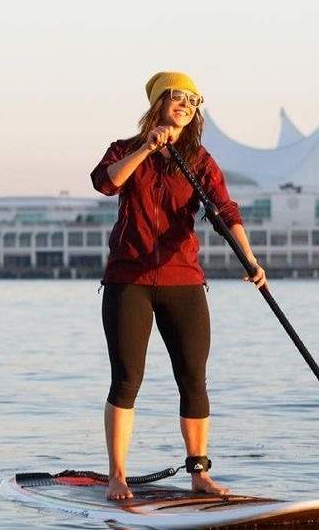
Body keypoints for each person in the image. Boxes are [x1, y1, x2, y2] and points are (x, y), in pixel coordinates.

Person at [90, 71, 267, 501]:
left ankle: (199, 473)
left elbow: (225, 211)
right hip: (129, 280)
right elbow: (105, 182)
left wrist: (250, 259)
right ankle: (117, 476)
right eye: (177, 97)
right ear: (158, 102)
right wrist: (146, 148)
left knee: (193, 378)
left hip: (183, 280)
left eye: (193, 100)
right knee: (127, 379)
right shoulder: (125, 149)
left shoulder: (199, 161)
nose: (186, 105)